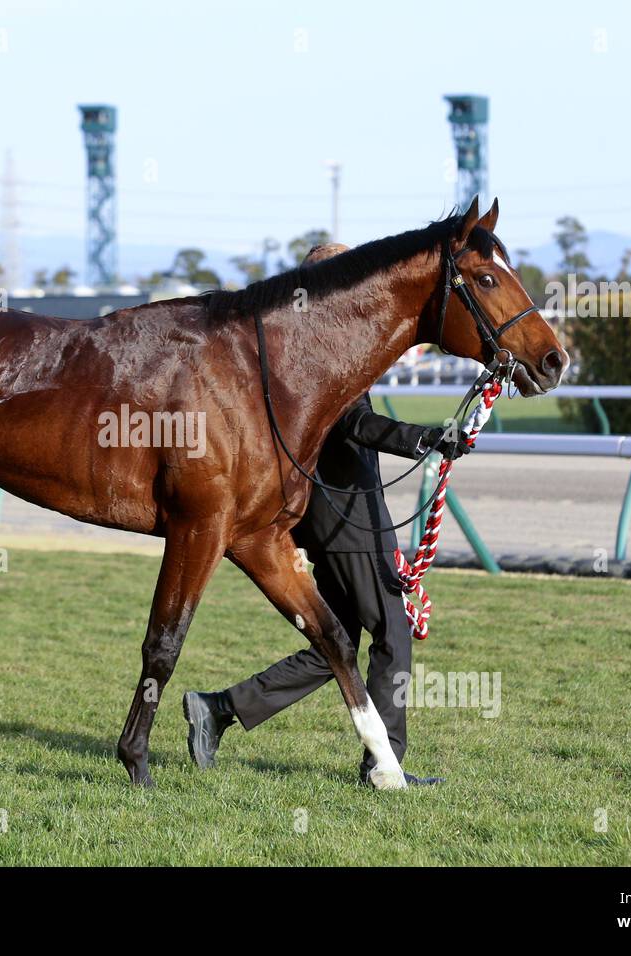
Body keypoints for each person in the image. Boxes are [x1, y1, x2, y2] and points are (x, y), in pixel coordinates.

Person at [181, 244, 469, 786]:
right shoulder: (324, 352)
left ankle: (218, 709)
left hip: (333, 515)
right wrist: (423, 438)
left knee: (334, 641)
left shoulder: (300, 347)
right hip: (347, 518)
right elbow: (355, 425)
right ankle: (386, 768)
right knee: (393, 635)